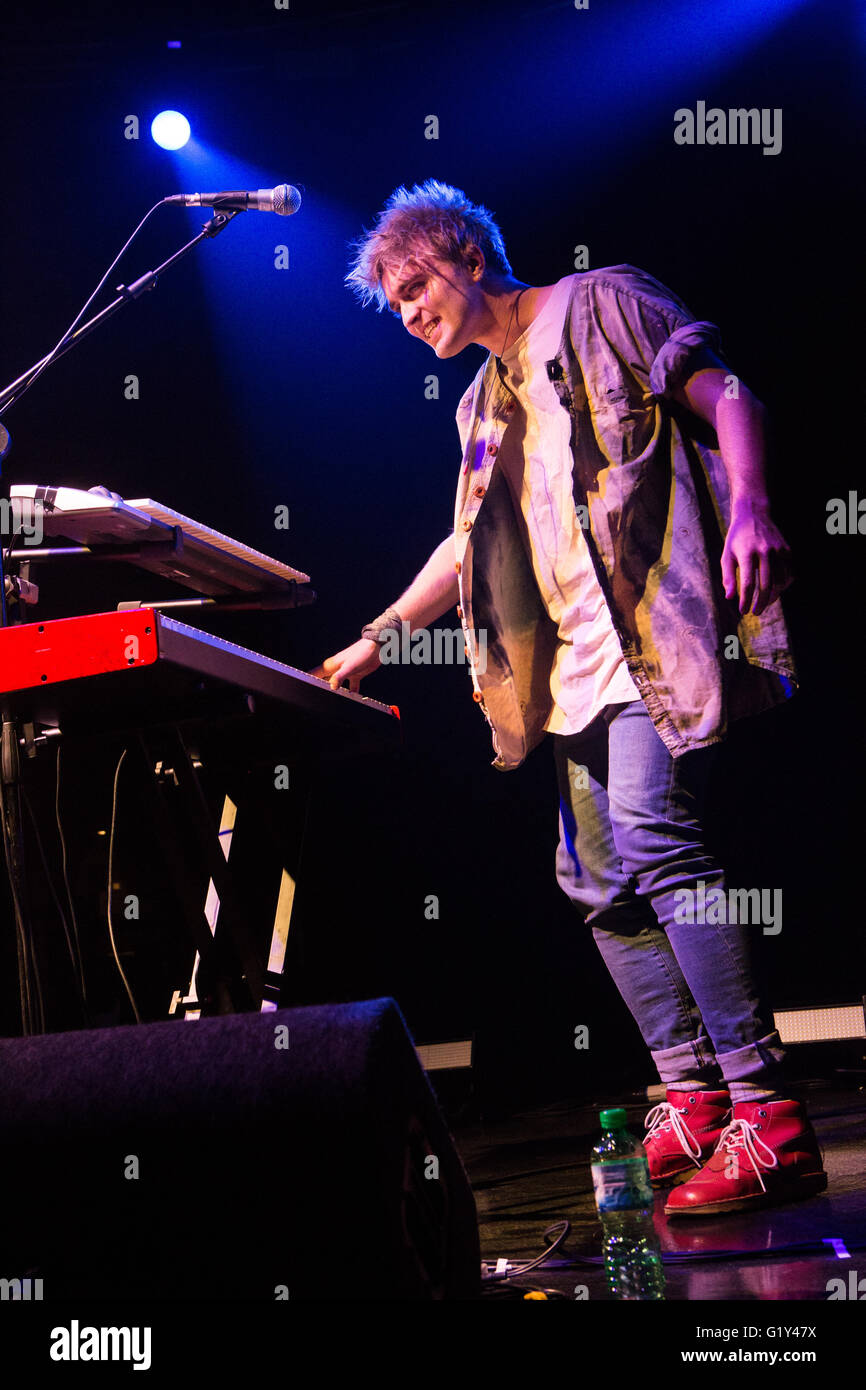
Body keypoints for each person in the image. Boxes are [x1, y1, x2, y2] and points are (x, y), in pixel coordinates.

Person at [311, 180, 827, 1216]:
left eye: (415, 284)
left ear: (462, 249)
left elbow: (728, 395)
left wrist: (751, 512)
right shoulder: (480, 402)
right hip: (567, 677)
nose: (410, 313)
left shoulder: (601, 302)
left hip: (649, 637)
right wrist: (378, 635)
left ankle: (765, 1110)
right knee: (593, 880)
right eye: (396, 304)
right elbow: (463, 546)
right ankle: (688, 1091)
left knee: (654, 837)